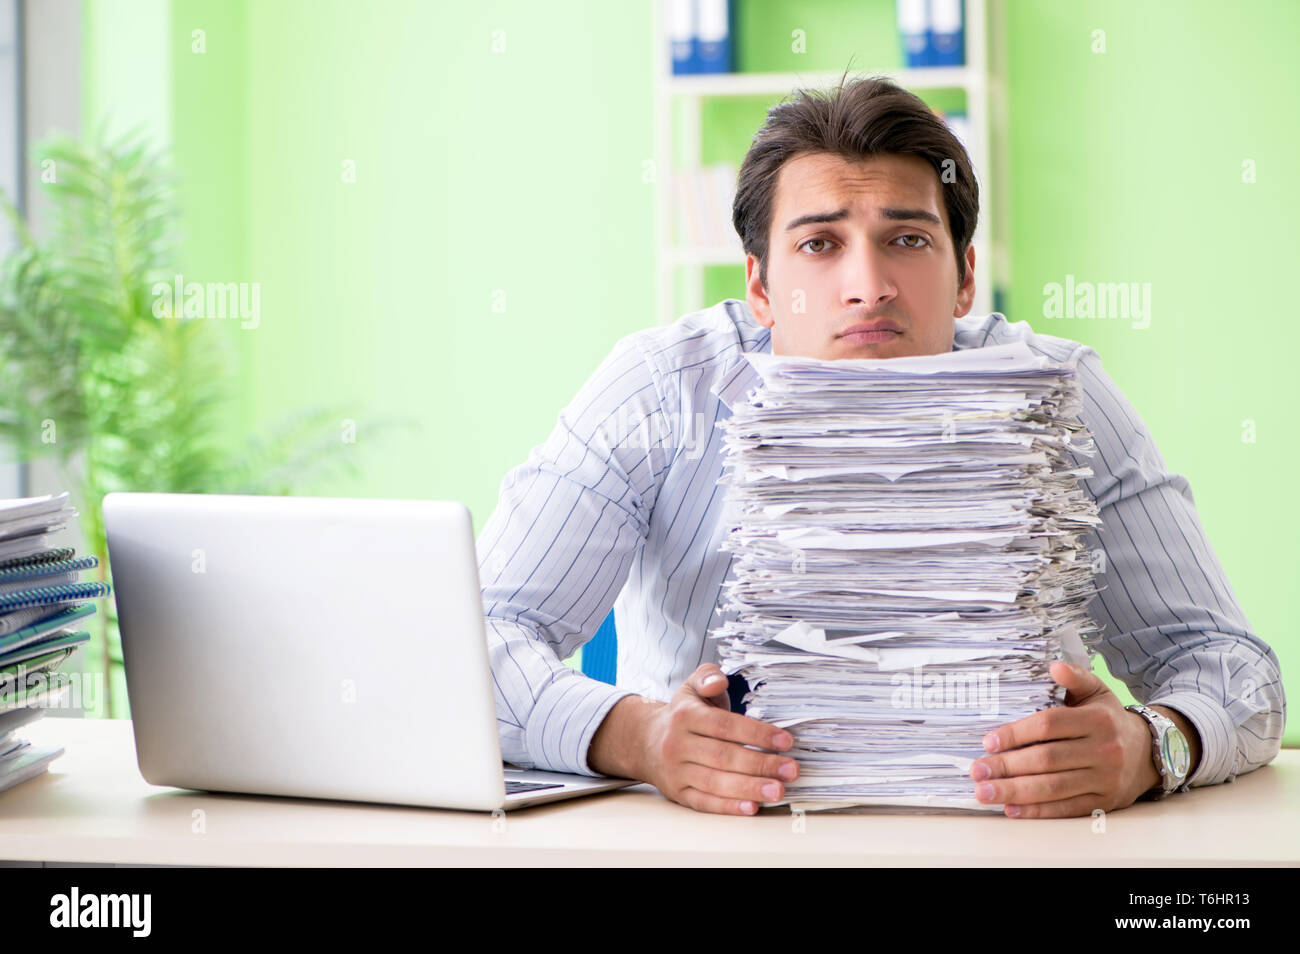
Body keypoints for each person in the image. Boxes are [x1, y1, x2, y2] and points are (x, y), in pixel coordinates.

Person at [475, 74, 1285, 818]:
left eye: (907, 239)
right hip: (723, 845)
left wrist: (1154, 745)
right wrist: (641, 737)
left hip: (1013, 843)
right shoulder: (657, 389)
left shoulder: (1057, 395)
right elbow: (480, 638)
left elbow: (1229, 666)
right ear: (760, 285)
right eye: (820, 244)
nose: (867, 285)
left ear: (965, 276)